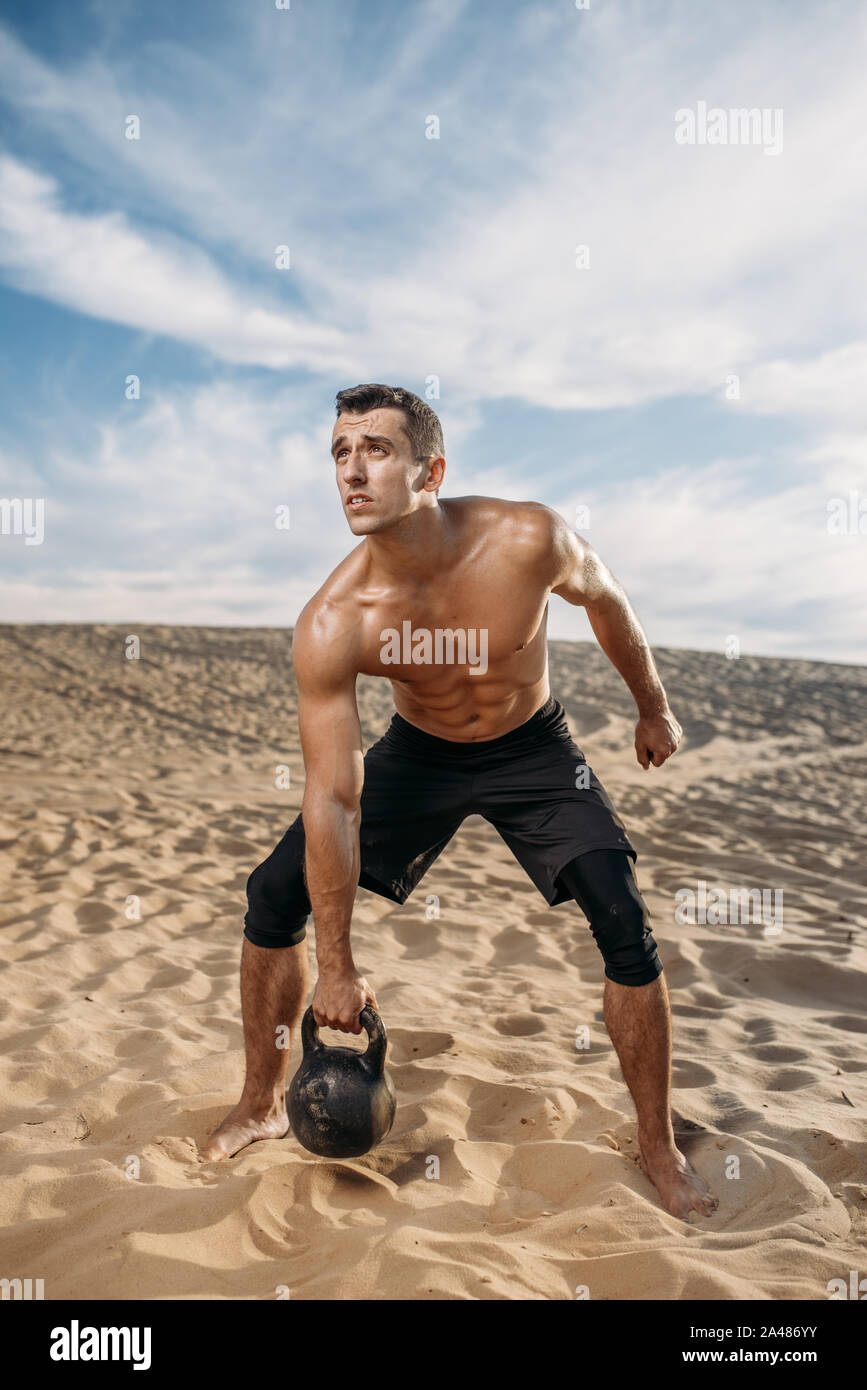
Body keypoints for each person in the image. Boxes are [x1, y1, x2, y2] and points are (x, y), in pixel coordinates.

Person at [201, 383, 718, 1220]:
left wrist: (651, 705)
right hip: (421, 756)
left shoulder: (526, 539)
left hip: (532, 748)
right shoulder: (337, 619)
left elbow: (606, 600)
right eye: (339, 452)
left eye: (376, 449)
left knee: (622, 920)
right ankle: (262, 1101)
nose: (351, 471)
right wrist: (336, 963)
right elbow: (333, 798)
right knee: (271, 894)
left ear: (430, 469)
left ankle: (655, 1145)